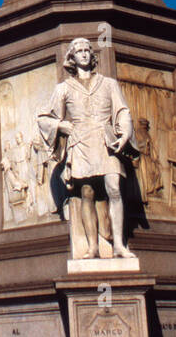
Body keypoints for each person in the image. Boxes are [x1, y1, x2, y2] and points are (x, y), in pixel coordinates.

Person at [38, 38, 136, 259]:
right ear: (71, 58)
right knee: (87, 193)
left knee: (114, 187)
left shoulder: (109, 83)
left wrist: (125, 133)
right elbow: (44, 117)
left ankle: (119, 244)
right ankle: (93, 246)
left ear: (92, 56)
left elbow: (122, 111)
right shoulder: (63, 88)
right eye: (78, 51)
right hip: (80, 142)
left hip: (106, 140)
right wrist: (61, 125)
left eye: (86, 51)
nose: (83, 54)